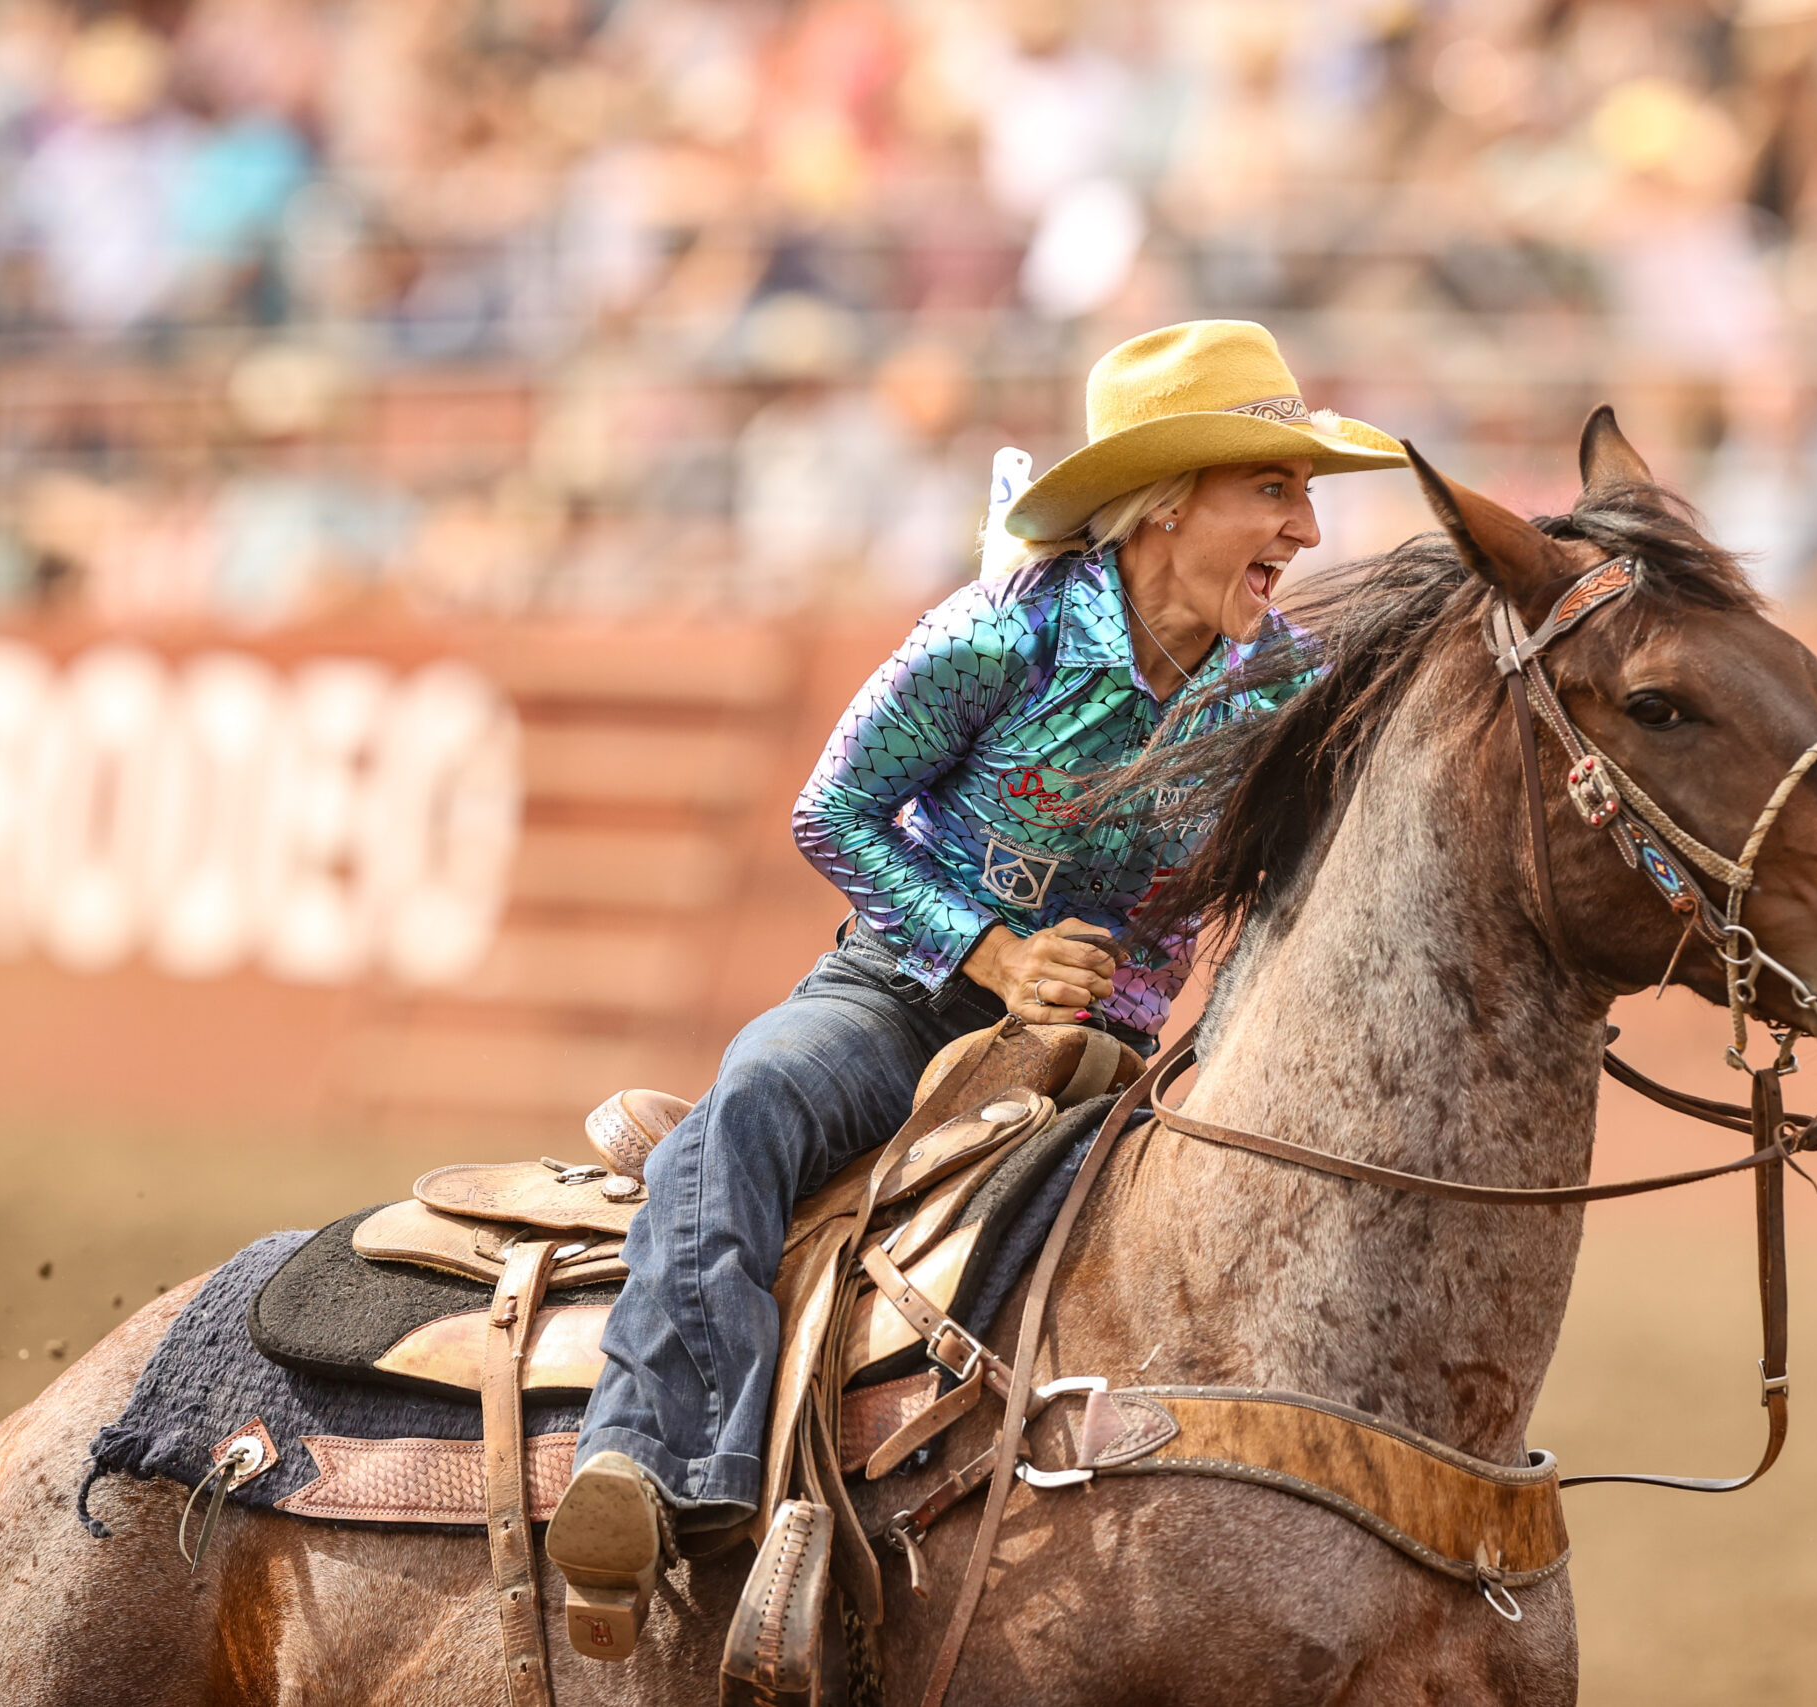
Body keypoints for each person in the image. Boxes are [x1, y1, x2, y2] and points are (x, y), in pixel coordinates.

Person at [547, 320, 1407, 1654]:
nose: (1303, 528)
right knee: (754, 1104)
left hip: (1110, 1064)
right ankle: (662, 1468)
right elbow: (834, 809)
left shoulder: (1286, 686)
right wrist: (994, 955)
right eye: (1273, 490)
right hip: (900, 1000)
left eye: (1304, 496)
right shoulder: (1004, 633)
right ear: (1168, 501)